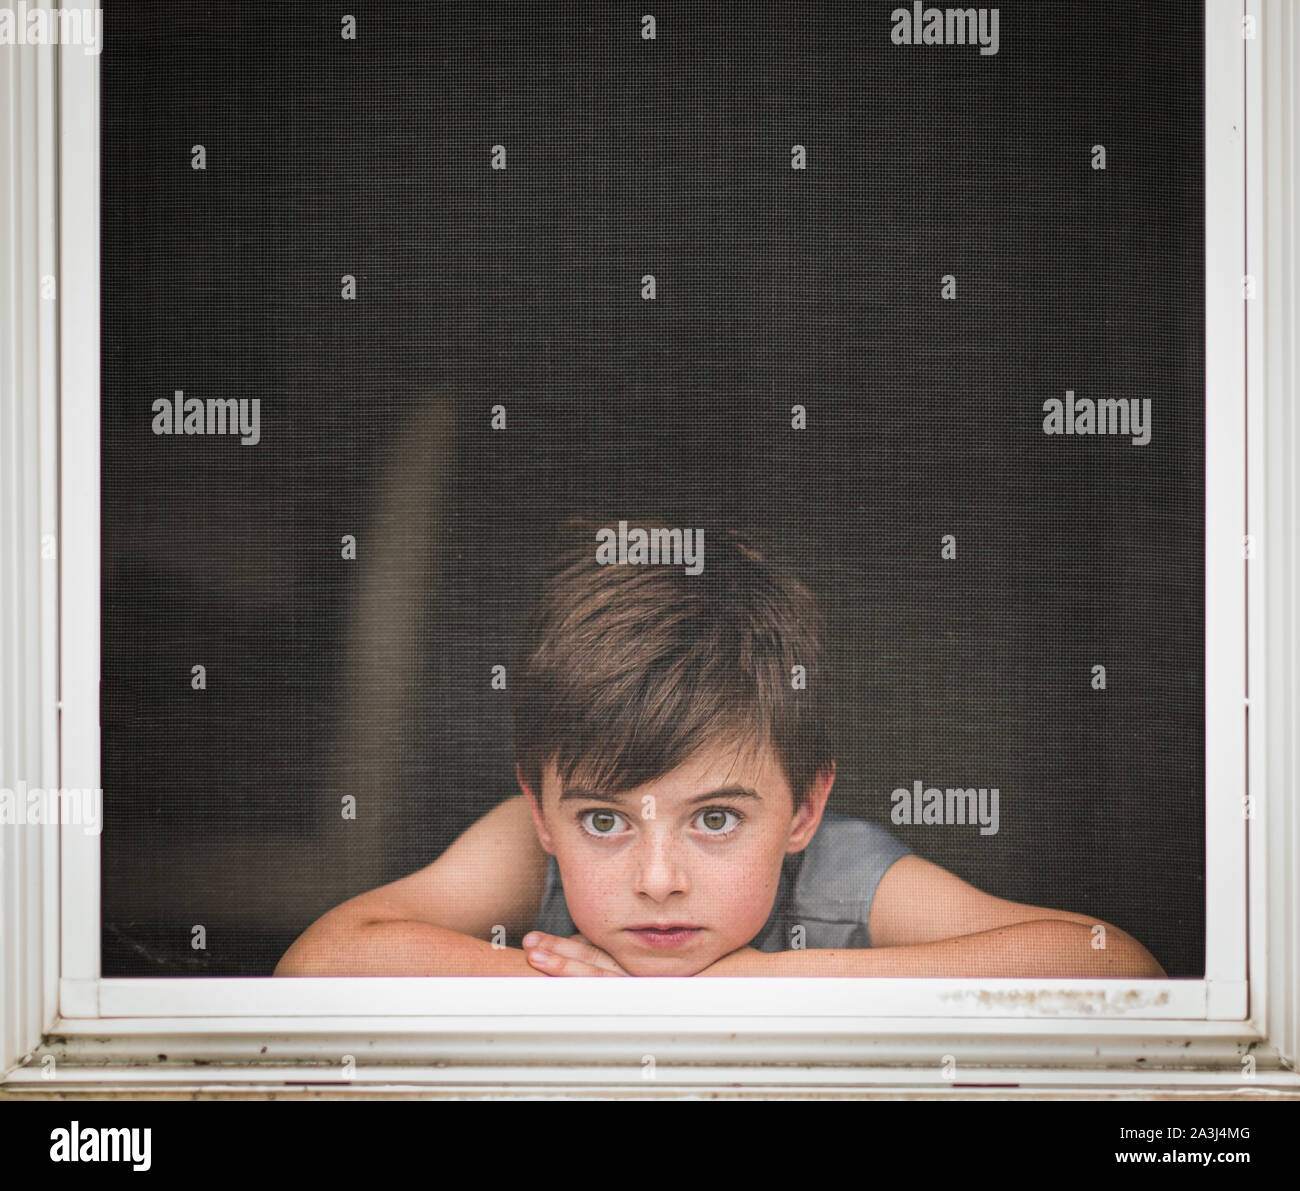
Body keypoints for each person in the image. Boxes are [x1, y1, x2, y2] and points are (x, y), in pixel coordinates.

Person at [275, 517, 1165, 978]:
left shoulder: (840, 877)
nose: (658, 877)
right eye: (602, 819)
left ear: (803, 809)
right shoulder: (521, 847)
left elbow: (1108, 961)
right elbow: (320, 959)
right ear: (542, 811)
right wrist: (565, 992)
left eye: (714, 817)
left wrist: (757, 984)